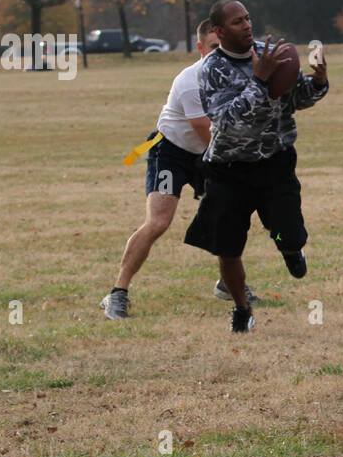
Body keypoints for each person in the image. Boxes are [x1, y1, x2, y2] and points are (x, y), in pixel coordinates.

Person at [183, 0, 329, 331]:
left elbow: (294, 99)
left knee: (288, 233)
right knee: (228, 247)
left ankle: (290, 249)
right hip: (229, 168)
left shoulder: (271, 54)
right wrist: (259, 81)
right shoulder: (211, 69)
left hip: (274, 162)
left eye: (248, 18)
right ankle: (241, 308)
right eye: (237, 22)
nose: (247, 25)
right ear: (219, 32)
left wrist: (317, 84)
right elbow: (228, 121)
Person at [101, 19, 256, 319]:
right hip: (172, 152)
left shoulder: (239, 77)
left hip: (208, 152)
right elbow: (207, 133)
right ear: (199, 49)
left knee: (234, 214)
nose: (221, 56)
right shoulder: (190, 82)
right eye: (213, 48)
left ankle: (228, 283)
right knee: (158, 222)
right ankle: (117, 293)